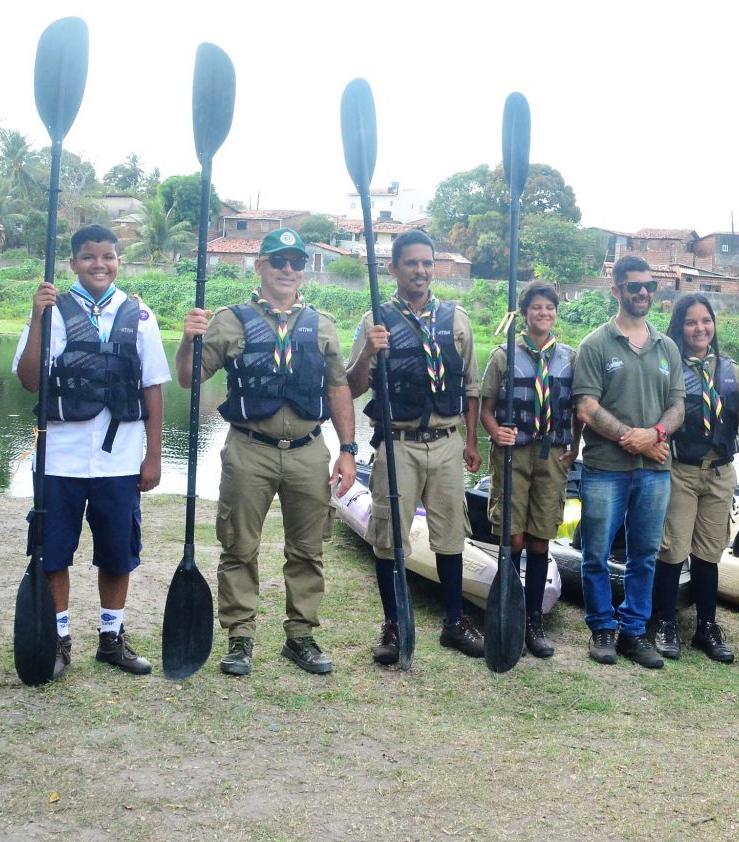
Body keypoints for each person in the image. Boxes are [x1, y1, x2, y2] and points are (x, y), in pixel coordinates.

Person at [178, 228, 357, 676]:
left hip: (308, 451)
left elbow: (338, 389)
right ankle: (240, 637)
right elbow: (188, 378)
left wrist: (348, 450)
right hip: (249, 448)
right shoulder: (228, 321)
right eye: (279, 261)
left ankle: (301, 636)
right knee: (239, 546)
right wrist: (187, 340)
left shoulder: (322, 323)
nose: (288, 269)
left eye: (296, 262)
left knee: (308, 550)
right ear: (260, 266)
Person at [14, 224, 168, 679]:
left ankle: (111, 637)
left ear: (118, 261)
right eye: (88, 257)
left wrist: (153, 455)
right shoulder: (52, 312)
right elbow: (29, 380)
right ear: (73, 263)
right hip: (59, 459)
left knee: (118, 553)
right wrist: (37, 317)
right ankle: (58, 638)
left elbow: (153, 387)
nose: (98, 264)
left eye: (107, 256)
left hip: (120, 460)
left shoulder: (140, 316)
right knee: (53, 553)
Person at [346, 230, 484, 663]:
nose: (420, 271)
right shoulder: (375, 320)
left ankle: (455, 622)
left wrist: (471, 442)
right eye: (411, 263)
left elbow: (472, 387)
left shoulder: (456, 319)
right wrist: (368, 352)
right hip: (398, 443)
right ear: (394, 268)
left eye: (427, 263)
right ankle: (393, 624)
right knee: (389, 539)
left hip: (446, 441)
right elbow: (351, 387)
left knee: (452, 536)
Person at [571, 256, 685, 669]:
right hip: (605, 469)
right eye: (634, 286)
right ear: (616, 289)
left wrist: (654, 435)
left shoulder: (666, 346)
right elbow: (586, 407)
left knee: (645, 554)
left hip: (655, 471)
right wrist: (630, 438)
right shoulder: (595, 344)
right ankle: (602, 628)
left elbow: (678, 406)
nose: (642, 293)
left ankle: (634, 631)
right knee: (596, 553)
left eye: (649, 286)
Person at [651, 294, 739, 663]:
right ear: (679, 326)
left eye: (706, 320)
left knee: (708, 553)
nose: (700, 328)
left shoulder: (727, 368)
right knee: (672, 551)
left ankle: (706, 627)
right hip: (680, 470)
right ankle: (666, 623)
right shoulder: (668, 366)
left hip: (720, 472)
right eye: (691, 322)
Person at [480, 280, 576, 658]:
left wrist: (576, 443)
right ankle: (509, 616)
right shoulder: (504, 355)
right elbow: (486, 408)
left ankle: (534, 622)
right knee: (513, 537)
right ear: (524, 313)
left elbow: (578, 408)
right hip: (513, 455)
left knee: (540, 538)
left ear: (556, 313)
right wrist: (494, 432)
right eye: (536, 307)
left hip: (551, 454)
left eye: (549, 308)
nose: (543, 313)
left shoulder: (569, 357)